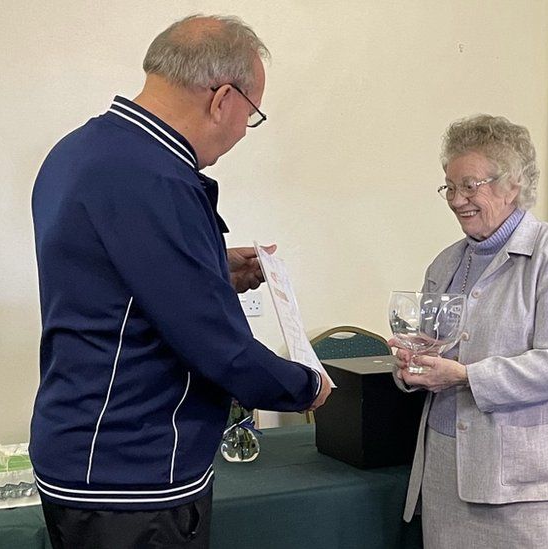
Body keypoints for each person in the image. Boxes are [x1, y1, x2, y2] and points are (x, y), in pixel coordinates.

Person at [29, 14, 331, 549]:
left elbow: (115, 277)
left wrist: (212, 265)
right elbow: (218, 347)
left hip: (84, 446)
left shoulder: (80, 151)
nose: (242, 131)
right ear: (223, 99)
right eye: (251, 115)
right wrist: (305, 384)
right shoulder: (155, 177)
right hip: (133, 470)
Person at [390, 115, 548, 548]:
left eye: (470, 186)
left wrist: (466, 376)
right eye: (449, 186)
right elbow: (432, 350)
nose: (456, 199)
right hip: (448, 474)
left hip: (527, 488)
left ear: (512, 184)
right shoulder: (445, 263)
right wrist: (411, 364)